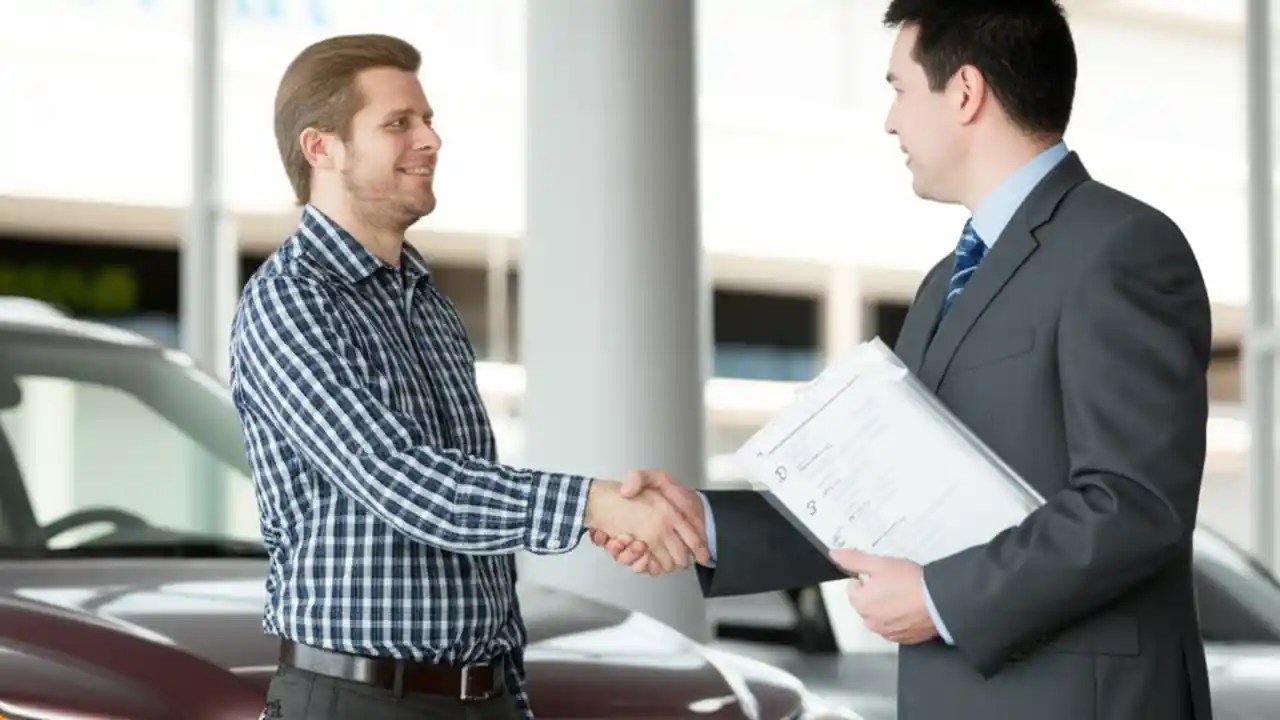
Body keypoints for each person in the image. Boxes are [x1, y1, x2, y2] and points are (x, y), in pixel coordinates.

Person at [593, 1, 1214, 718]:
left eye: (898, 88)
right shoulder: (944, 281)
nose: (890, 120)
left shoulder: (1122, 248)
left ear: (966, 93)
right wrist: (706, 525)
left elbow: (1133, 505)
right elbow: (882, 499)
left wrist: (936, 598)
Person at [229, 33, 708, 720]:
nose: (430, 139)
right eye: (399, 124)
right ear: (321, 149)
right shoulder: (290, 301)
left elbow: (469, 519)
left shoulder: (425, 301)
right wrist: (595, 503)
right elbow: (404, 481)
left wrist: (507, 691)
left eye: (427, 119)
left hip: (480, 696)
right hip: (360, 702)